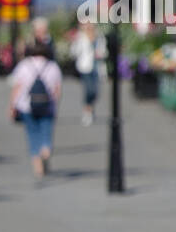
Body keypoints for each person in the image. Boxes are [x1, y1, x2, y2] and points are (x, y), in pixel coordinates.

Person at [8, 40, 63, 180]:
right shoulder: (53, 66)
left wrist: (12, 105)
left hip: (26, 105)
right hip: (47, 105)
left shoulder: (24, 65)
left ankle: (38, 167)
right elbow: (57, 89)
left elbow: (17, 87)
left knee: (32, 134)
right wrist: (55, 104)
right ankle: (46, 149)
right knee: (46, 130)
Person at [70, 18, 106, 126]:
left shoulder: (99, 37)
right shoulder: (80, 37)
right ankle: (87, 111)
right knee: (88, 90)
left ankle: (90, 108)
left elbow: (104, 51)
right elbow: (74, 52)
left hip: (97, 67)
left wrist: (100, 53)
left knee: (95, 91)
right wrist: (76, 42)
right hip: (85, 67)